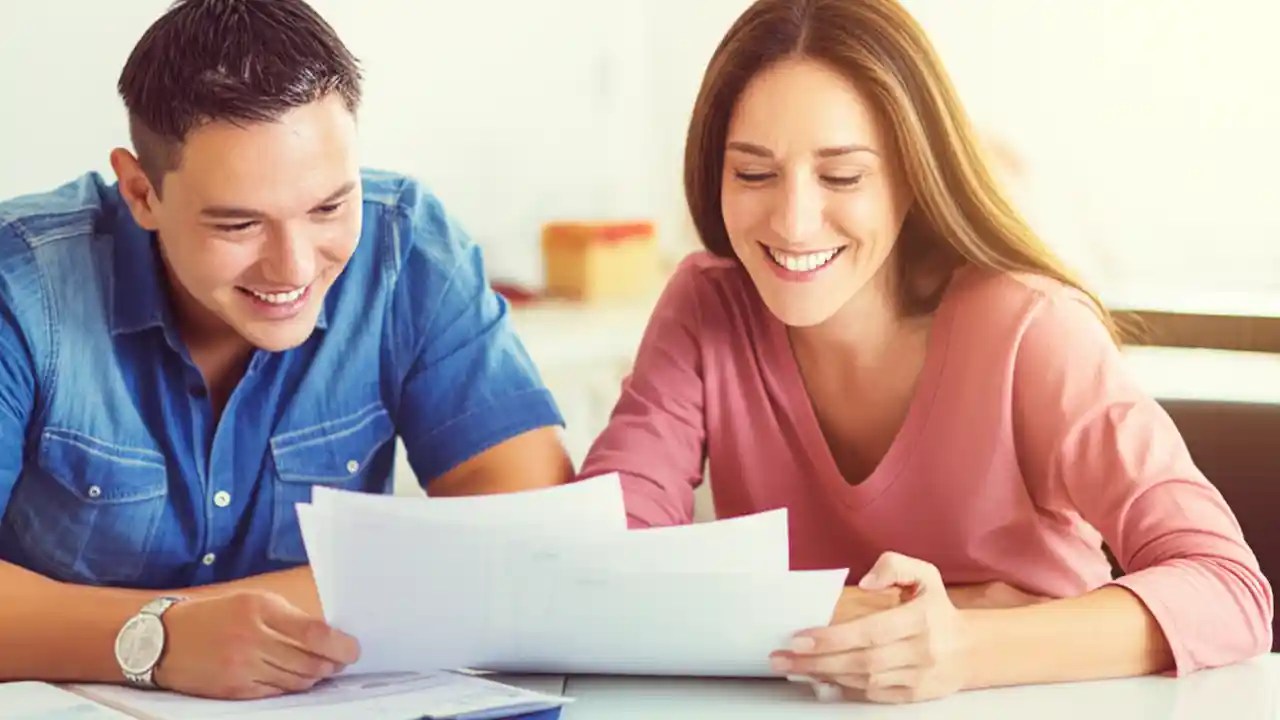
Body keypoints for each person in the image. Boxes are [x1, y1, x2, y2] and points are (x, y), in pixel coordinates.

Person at [579, 0, 1273, 704]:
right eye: (753, 175)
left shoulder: (1032, 330)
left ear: (913, 175)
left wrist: (965, 647)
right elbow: (592, 579)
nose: (791, 221)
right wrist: (878, 617)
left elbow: (1229, 589)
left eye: (842, 176)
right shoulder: (707, 307)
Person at [0, 0, 571, 700]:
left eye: (329, 207)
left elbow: (532, 535)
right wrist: (158, 637)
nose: (294, 268)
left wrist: (215, 625)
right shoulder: (20, 288)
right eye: (238, 223)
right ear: (142, 192)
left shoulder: (409, 250)